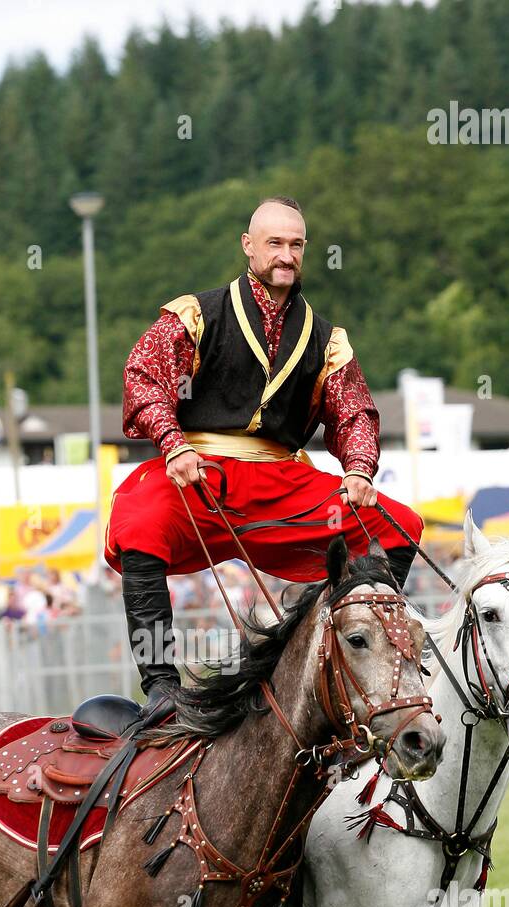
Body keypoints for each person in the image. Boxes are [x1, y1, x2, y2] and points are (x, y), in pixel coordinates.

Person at [105, 196, 424, 718]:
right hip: (198, 471)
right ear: (248, 246)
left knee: (396, 526)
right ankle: (161, 686)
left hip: (283, 479)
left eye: (296, 245)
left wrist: (360, 470)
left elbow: (355, 414)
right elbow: (144, 379)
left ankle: (341, 661)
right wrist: (172, 444)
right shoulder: (196, 314)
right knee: (139, 520)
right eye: (275, 243)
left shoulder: (327, 339)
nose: (286, 254)